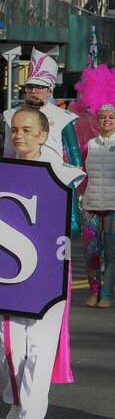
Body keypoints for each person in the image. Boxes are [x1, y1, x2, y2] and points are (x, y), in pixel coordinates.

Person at [0, 107, 84, 419]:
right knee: (12, 348)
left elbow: (73, 225)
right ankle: (16, 399)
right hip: (3, 271)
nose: (19, 136)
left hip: (49, 270)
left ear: (44, 135)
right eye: (15, 130)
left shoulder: (62, 173)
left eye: (28, 130)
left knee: (39, 349)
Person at [72, 63, 115, 308]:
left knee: (111, 253)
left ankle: (106, 294)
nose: (107, 121)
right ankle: (94, 290)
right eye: (103, 117)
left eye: (111, 117)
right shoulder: (89, 145)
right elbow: (78, 172)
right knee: (91, 252)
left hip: (112, 207)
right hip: (90, 205)